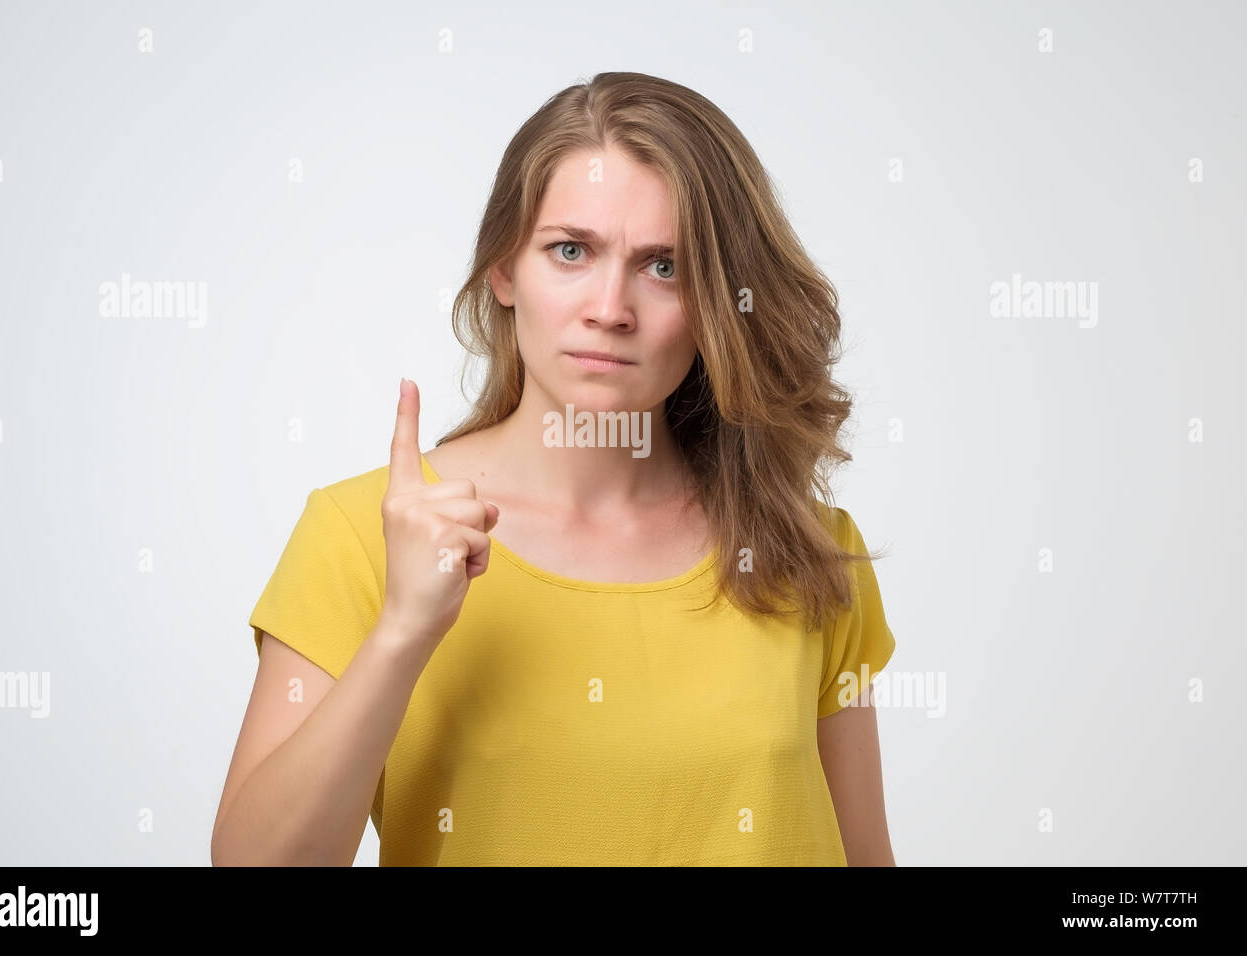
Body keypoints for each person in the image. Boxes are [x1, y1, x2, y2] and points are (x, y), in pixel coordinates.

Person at [212, 71, 898, 867]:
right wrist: (402, 630)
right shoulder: (362, 534)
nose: (610, 306)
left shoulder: (805, 549)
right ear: (504, 270)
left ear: (719, 301)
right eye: (570, 251)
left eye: (663, 267)